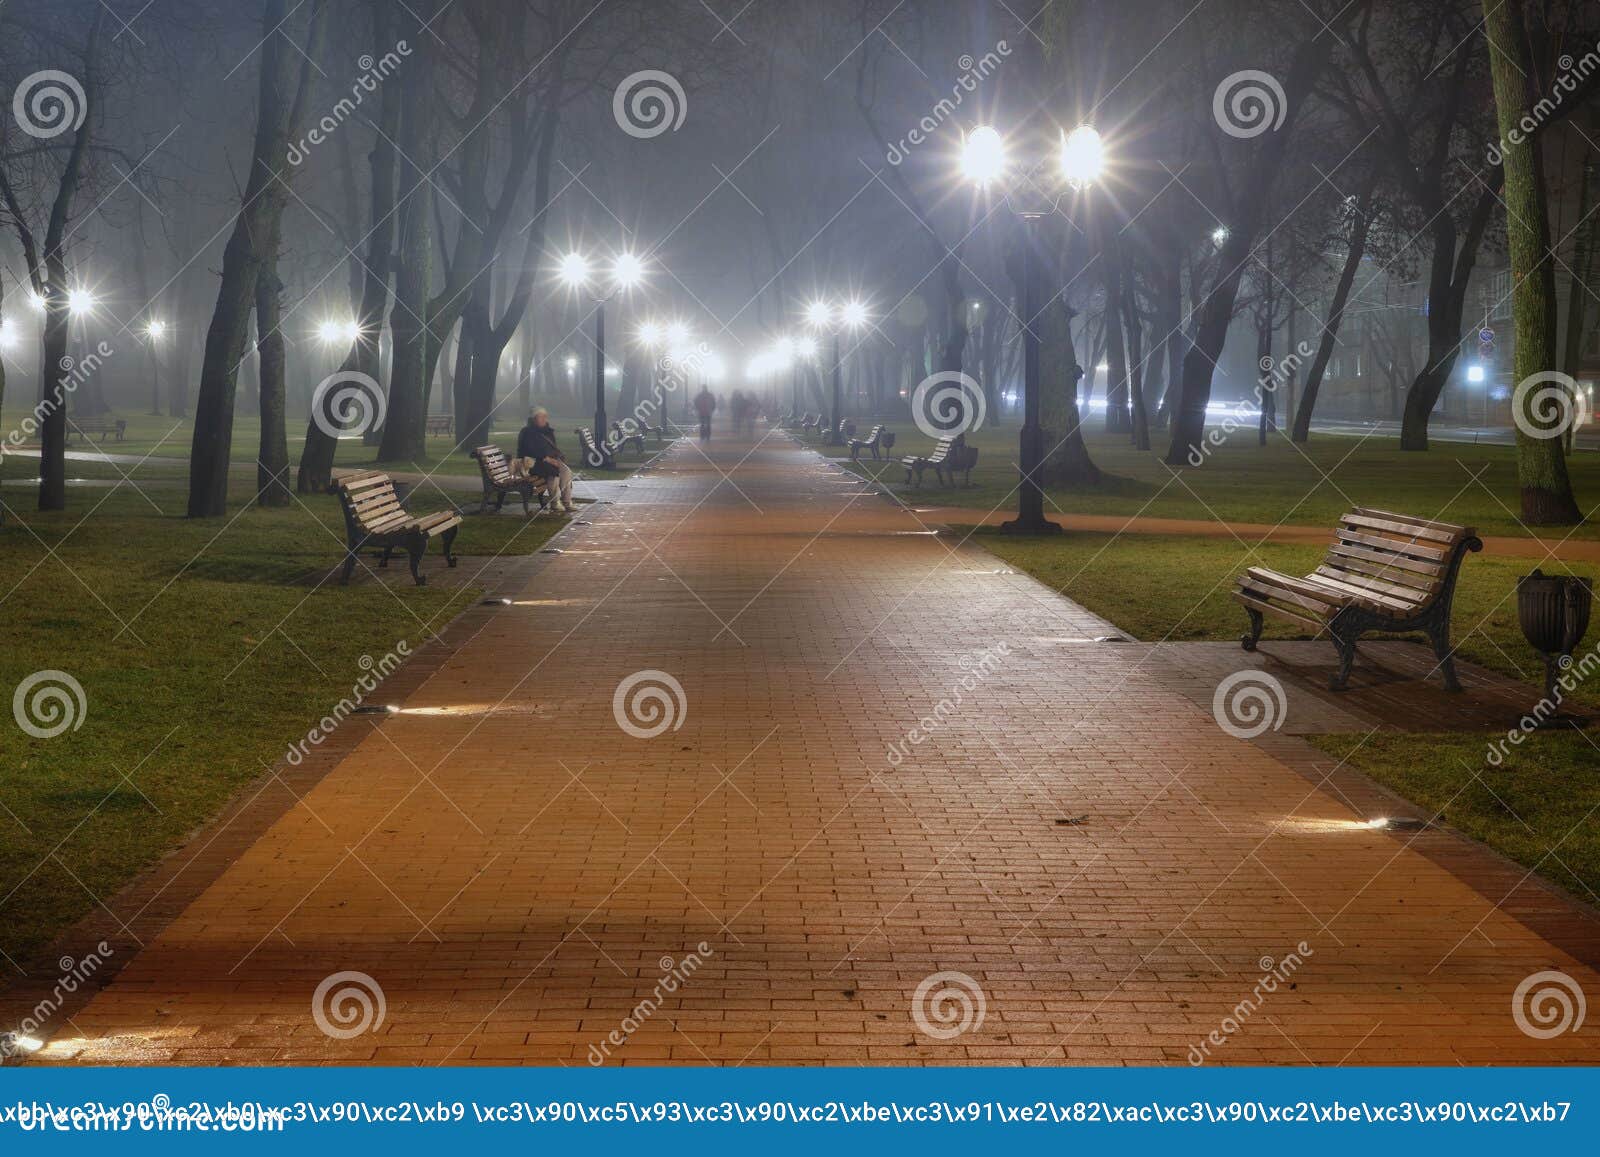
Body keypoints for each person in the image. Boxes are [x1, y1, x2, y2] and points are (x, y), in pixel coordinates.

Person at [516, 408, 574, 513]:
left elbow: (553, 448)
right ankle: (555, 503)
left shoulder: (548, 431)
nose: (544, 419)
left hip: (548, 461)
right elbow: (530, 451)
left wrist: (556, 458)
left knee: (566, 471)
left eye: (545, 416)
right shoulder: (527, 432)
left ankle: (567, 502)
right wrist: (547, 459)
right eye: (540, 416)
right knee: (553, 471)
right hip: (532, 463)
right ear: (534, 418)